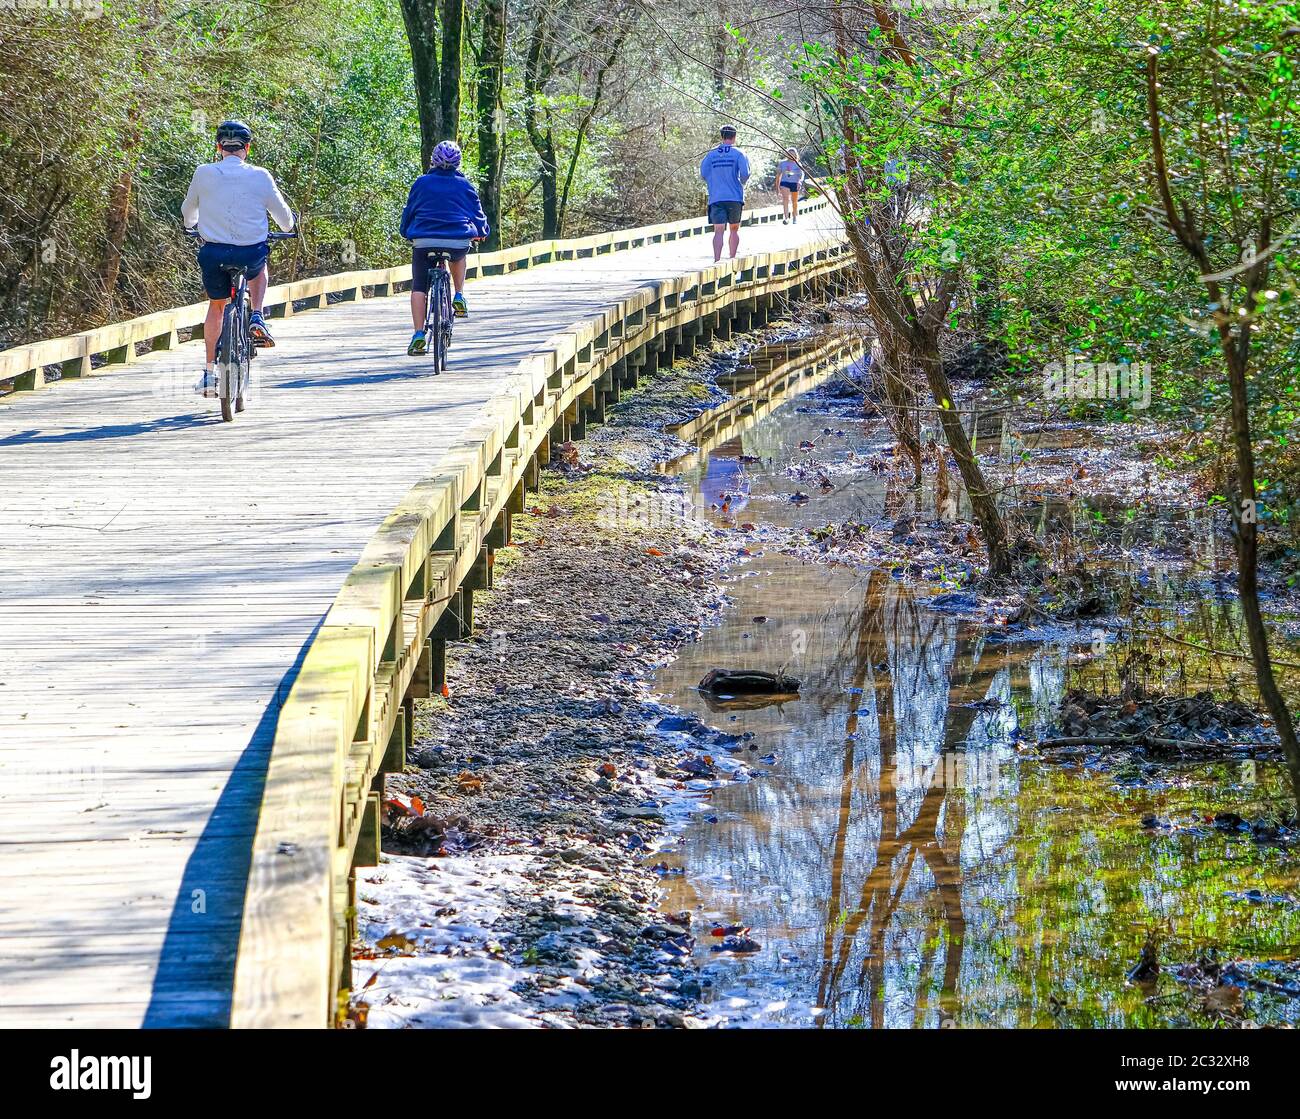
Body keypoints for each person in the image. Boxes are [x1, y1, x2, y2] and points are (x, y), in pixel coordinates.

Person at [181, 119, 295, 397]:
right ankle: (256, 315)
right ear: (247, 148)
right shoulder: (260, 175)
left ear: (219, 146)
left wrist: (191, 226)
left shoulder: (203, 172)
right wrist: (288, 227)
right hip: (250, 252)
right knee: (259, 267)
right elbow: (285, 221)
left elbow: (188, 212)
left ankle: (209, 373)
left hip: (213, 253)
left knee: (216, 306)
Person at [399, 140, 490, 356]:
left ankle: (419, 334)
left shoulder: (421, 183)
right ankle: (458, 295)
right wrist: (482, 231)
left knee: (419, 286)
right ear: (458, 163)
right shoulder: (465, 185)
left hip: (423, 241)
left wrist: (405, 231)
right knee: (459, 255)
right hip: (456, 240)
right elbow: (477, 215)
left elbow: (409, 211)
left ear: (433, 160)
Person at [700, 124, 751, 262]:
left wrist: (713, 181)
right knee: (734, 229)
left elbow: (703, 173)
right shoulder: (739, 153)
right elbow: (745, 174)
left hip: (716, 196)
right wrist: (741, 182)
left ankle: (717, 260)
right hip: (734, 196)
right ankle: (732, 258)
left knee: (718, 230)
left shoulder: (711, 154)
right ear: (734, 137)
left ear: (722, 136)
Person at [776, 146, 805, 225]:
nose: (791, 156)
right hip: (785, 182)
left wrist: (800, 182)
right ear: (787, 154)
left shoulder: (798, 164)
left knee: (794, 201)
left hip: (795, 183)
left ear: (796, 155)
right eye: (789, 154)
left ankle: (794, 216)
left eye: (793, 154)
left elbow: (802, 174)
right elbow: (778, 175)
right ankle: (786, 217)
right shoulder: (782, 163)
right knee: (785, 199)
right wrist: (777, 186)